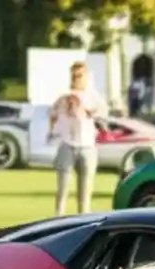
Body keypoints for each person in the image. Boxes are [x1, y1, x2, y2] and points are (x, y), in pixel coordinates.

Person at [48, 61, 104, 216]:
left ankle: (83, 220)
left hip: (87, 147)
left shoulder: (94, 96)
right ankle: (58, 219)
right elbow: (53, 115)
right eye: (74, 75)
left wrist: (82, 107)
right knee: (62, 189)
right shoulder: (64, 96)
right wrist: (53, 128)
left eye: (79, 75)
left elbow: (99, 116)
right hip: (67, 144)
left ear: (86, 76)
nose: (76, 79)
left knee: (85, 192)